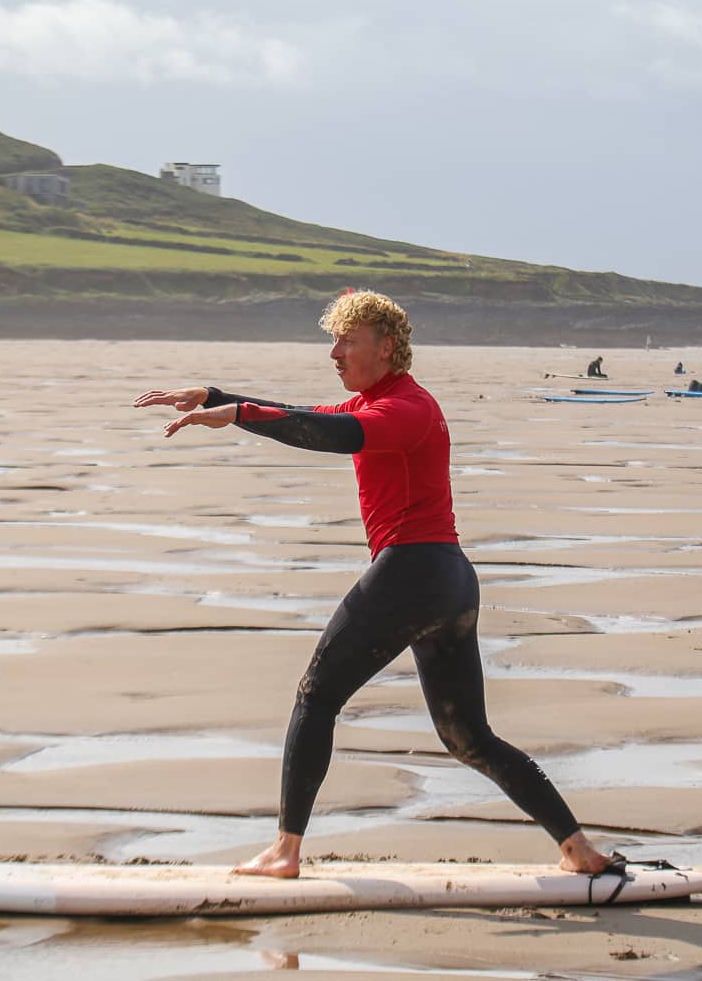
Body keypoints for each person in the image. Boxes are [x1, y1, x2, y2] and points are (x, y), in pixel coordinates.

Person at [134, 290, 616, 880]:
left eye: (348, 342)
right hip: (448, 583)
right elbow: (300, 416)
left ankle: (285, 851)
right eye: (333, 342)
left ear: (387, 348)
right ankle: (579, 850)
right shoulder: (378, 402)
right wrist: (218, 397)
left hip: (412, 573)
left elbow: (328, 435)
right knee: (468, 738)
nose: (335, 354)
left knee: (317, 697)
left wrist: (235, 415)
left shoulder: (404, 409)